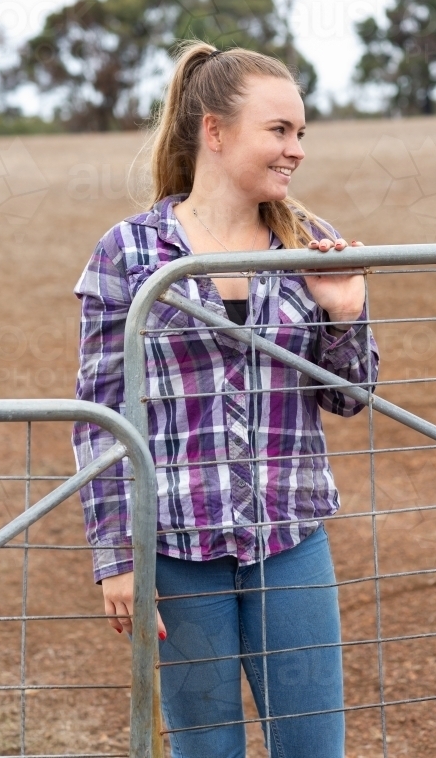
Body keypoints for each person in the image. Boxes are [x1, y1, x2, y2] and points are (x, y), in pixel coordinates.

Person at [72, 41, 379, 758]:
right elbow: (101, 416)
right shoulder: (129, 252)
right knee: (205, 750)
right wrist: (118, 555)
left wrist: (342, 311)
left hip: (290, 539)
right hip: (178, 547)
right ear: (214, 131)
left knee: (313, 749)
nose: (295, 149)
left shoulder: (312, 243)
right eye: (278, 130)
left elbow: (351, 397)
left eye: (300, 132)